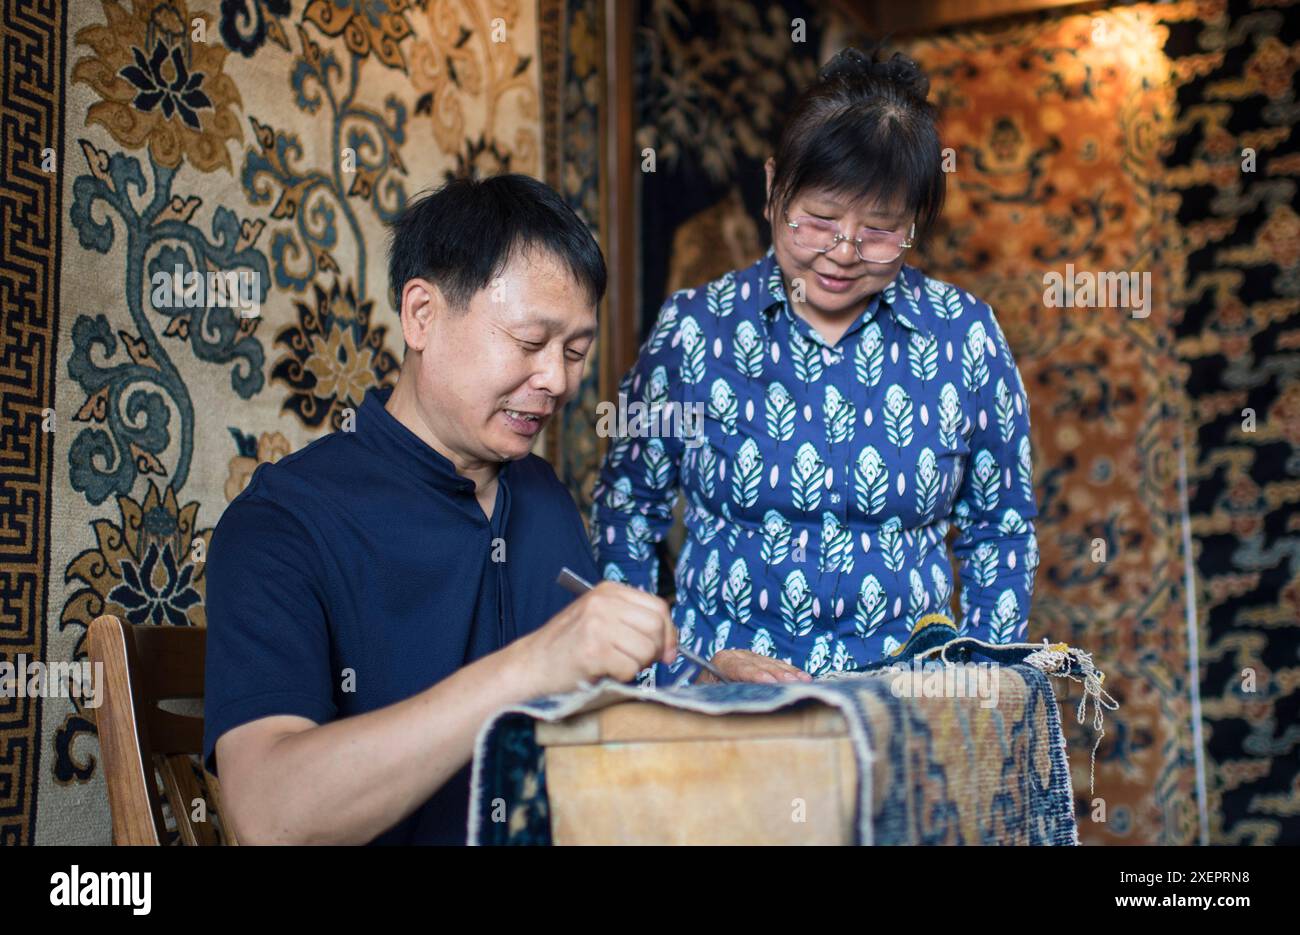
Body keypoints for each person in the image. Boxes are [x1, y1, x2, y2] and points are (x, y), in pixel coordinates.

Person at [203, 174, 676, 845]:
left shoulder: (541, 495)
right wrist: (533, 663)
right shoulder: (285, 522)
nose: (558, 381)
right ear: (421, 314)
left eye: (574, 351)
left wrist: (709, 694)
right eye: (529, 341)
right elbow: (270, 816)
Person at [590, 44, 1039, 685]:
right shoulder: (695, 329)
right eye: (820, 219)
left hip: (903, 716)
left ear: (913, 223)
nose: (842, 252)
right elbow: (629, 506)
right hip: (721, 708)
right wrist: (672, 678)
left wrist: (977, 698)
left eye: (880, 230)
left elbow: (1000, 530)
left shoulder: (965, 337)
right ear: (773, 188)